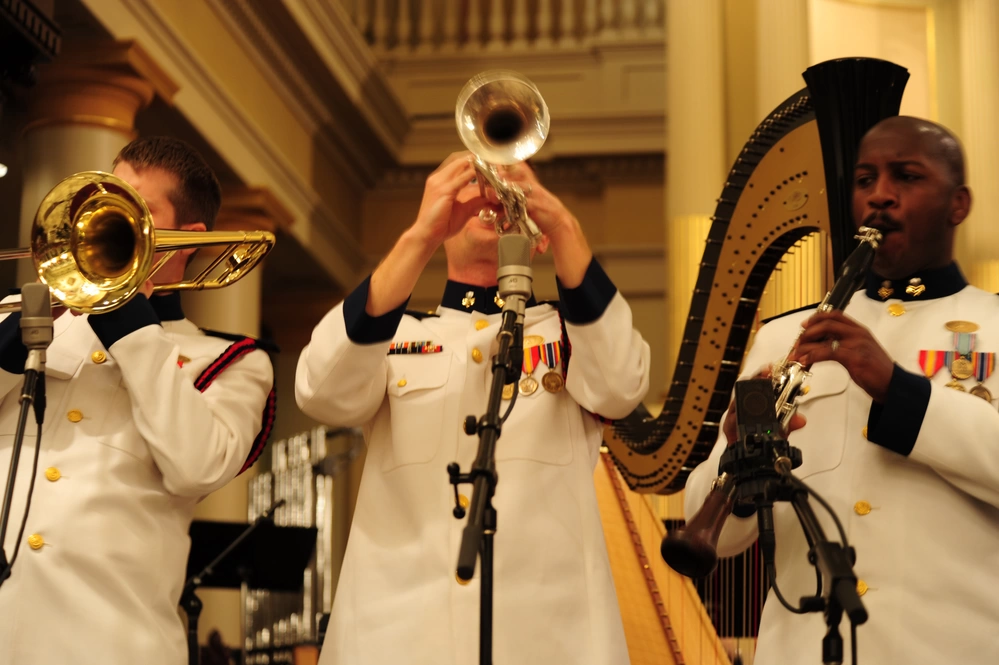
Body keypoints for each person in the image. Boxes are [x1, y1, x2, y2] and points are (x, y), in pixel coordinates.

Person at [296, 152, 650, 664]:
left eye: (511, 184)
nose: (492, 192)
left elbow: (620, 385)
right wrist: (419, 235)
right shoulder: (394, 333)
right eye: (474, 182)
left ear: (539, 234)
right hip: (398, 635)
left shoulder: (571, 332)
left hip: (547, 637)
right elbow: (320, 389)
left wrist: (568, 228)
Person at [684, 116, 999, 663]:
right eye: (864, 180)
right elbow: (715, 536)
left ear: (959, 204)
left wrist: (899, 391)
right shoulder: (784, 337)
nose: (880, 195)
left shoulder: (992, 323)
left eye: (906, 177)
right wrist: (738, 458)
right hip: (804, 649)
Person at [0, 136, 276, 663]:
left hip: (111, 641)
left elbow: (196, 466)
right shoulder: (25, 315)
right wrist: (25, 326)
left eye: (136, 213)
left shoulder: (230, 360)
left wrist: (128, 320)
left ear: (187, 239)